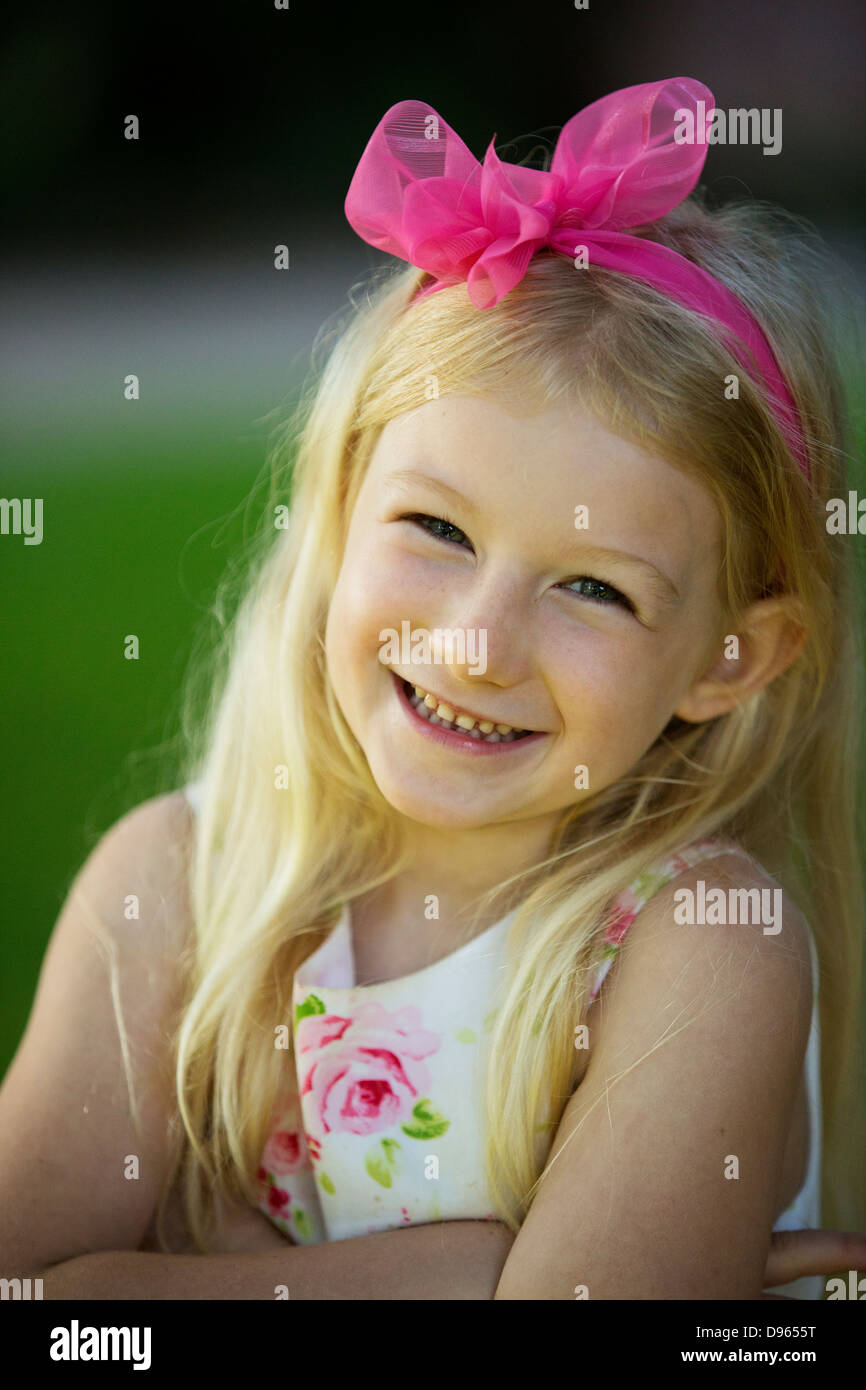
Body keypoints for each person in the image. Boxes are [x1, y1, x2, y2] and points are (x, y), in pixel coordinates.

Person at [2, 77, 865, 1300]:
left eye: (594, 590)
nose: (477, 645)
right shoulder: (174, 889)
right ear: (337, 509)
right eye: (437, 531)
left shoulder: (700, 946)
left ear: (729, 657)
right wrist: (457, 1273)